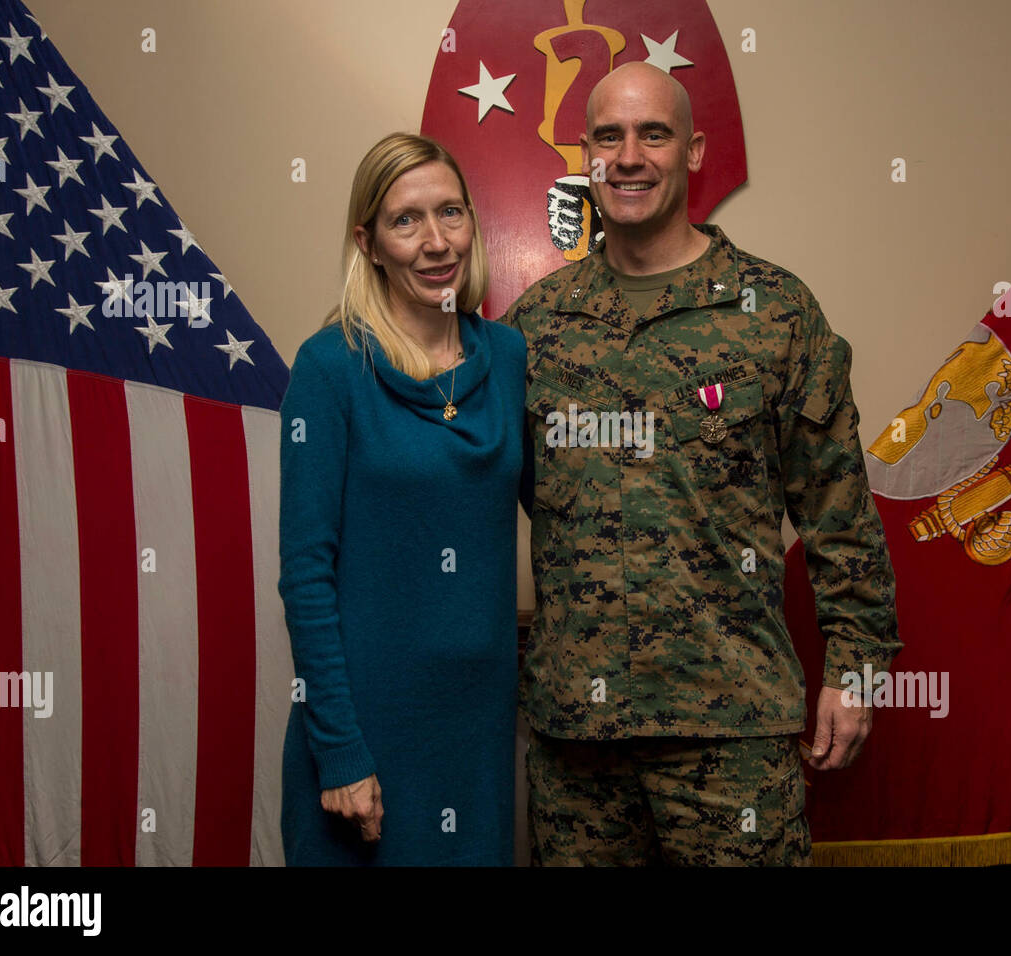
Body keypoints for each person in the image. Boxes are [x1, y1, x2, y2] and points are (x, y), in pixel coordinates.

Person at [506, 62, 902, 866]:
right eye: (609, 136)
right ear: (585, 154)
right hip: (577, 739)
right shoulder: (535, 327)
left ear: (693, 150)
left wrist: (856, 671)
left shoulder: (776, 312)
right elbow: (486, 490)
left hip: (732, 734)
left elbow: (840, 514)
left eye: (653, 133)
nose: (629, 156)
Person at [279, 132, 526, 865]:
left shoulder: (508, 358)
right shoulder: (328, 369)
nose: (436, 241)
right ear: (369, 242)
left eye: (451, 212)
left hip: (477, 732)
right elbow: (305, 573)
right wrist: (342, 750)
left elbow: (569, 512)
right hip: (366, 730)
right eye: (405, 220)